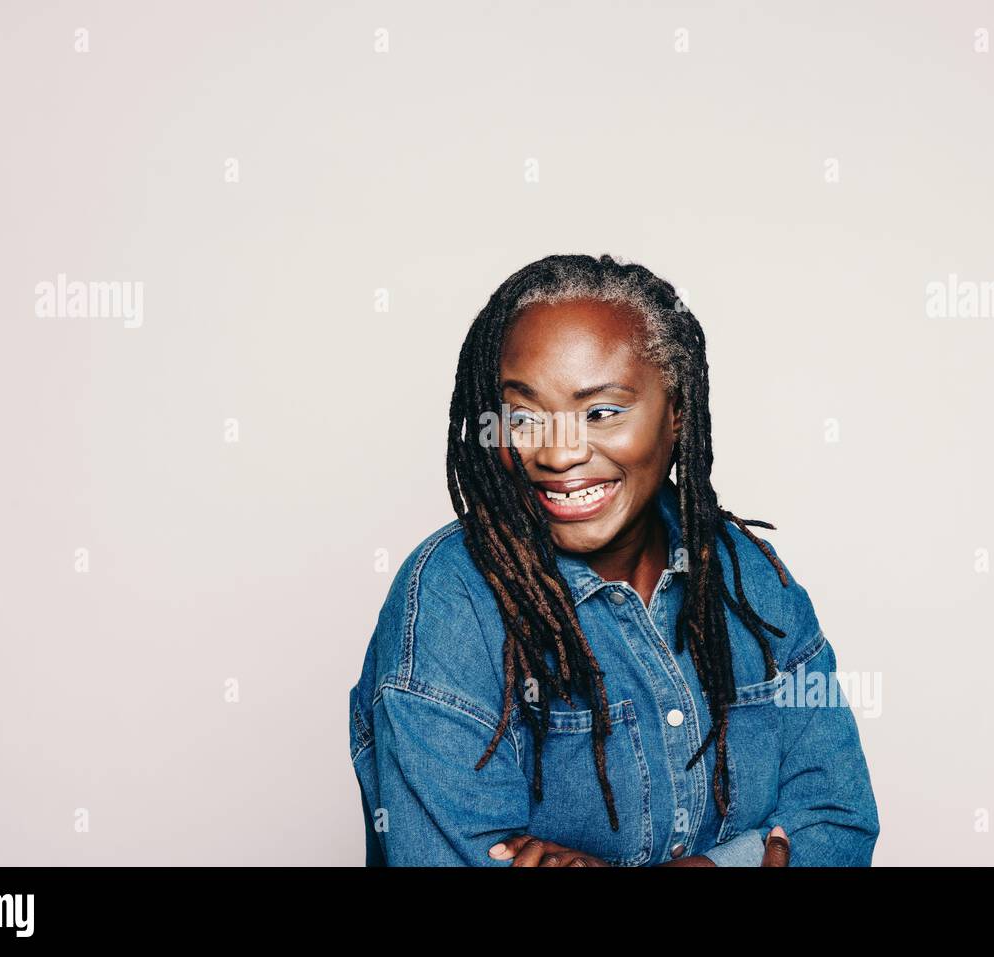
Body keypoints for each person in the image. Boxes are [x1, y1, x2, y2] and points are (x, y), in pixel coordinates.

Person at [349, 253, 879, 866]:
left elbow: (837, 820)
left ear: (677, 412)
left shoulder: (749, 579)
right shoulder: (448, 604)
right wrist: (749, 856)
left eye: (601, 412)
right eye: (523, 417)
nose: (559, 454)